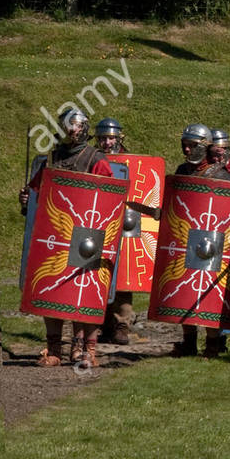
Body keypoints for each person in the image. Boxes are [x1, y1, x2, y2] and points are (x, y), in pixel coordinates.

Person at [18, 108, 115, 367]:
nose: (71, 131)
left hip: (87, 238)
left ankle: (86, 349)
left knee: (87, 292)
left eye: (75, 126)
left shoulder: (96, 159)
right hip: (57, 236)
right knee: (53, 288)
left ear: (84, 128)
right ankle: (54, 350)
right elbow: (37, 193)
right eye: (67, 126)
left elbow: (109, 199)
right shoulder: (52, 158)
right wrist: (28, 199)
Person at [171, 124, 230, 359]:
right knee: (185, 290)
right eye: (184, 145)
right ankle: (188, 342)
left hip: (213, 242)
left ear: (205, 147)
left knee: (212, 293)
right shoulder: (182, 170)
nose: (187, 150)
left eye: (192, 145)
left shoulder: (219, 174)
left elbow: (228, 212)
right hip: (187, 238)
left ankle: (213, 344)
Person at [94, 117, 135, 345]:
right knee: (100, 274)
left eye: (110, 137)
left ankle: (122, 325)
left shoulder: (131, 163)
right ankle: (104, 323)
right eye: (102, 138)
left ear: (119, 138)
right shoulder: (92, 159)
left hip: (127, 226)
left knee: (123, 280)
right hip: (100, 222)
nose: (107, 142)